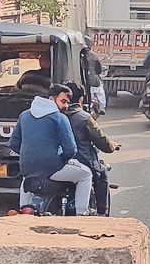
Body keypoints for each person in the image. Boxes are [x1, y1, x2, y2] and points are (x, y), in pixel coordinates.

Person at [9, 81, 92, 215]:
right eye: (63, 101)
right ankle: (81, 213)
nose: (66, 106)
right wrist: (61, 160)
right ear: (51, 99)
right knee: (86, 175)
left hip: (28, 167)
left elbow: (13, 143)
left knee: (26, 178)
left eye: (67, 102)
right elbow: (71, 149)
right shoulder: (59, 118)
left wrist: (30, 155)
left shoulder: (24, 115)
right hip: (53, 168)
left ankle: (22, 210)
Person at [61, 83, 120, 217]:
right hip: (84, 160)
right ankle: (102, 213)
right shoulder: (84, 117)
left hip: (58, 162)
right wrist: (113, 146)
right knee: (103, 172)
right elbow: (102, 141)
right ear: (81, 99)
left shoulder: (55, 115)